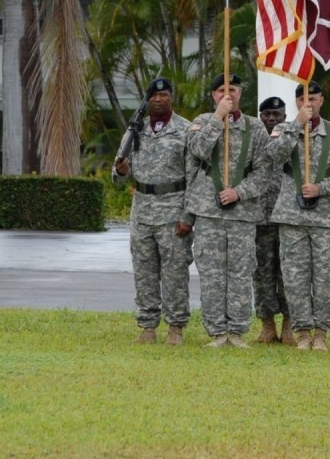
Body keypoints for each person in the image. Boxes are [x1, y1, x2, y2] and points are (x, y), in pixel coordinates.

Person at [266, 81, 330, 351]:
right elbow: (274, 156)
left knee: (326, 278)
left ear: (321, 101)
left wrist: (321, 188)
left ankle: (321, 334)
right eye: (303, 99)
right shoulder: (283, 129)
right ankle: (302, 333)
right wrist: (296, 125)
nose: (309, 104)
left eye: (313, 99)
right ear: (295, 103)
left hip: (325, 218)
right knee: (294, 278)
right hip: (292, 217)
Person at [184, 72, 271, 348]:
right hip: (208, 211)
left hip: (242, 213)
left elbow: (264, 172)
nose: (227, 95)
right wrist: (217, 119)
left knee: (241, 271)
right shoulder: (201, 122)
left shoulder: (255, 128)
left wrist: (239, 192)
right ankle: (217, 332)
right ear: (213, 95)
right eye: (221, 90)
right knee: (211, 273)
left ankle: (237, 331)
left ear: (241, 93)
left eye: (232, 89)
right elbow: (198, 150)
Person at [112, 77, 194, 346]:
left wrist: (188, 216)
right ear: (147, 100)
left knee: (175, 273)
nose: (158, 99)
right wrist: (121, 171)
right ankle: (147, 327)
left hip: (173, 209)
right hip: (143, 212)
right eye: (153, 96)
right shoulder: (135, 130)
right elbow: (118, 174)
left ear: (172, 97)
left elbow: (195, 177)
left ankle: (175, 328)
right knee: (144, 271)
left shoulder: (186, 130)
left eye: (163, 95)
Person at [254, 96, 294, 345]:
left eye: (276, 115)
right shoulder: (254, 140)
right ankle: (267, 325)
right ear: (260, 117)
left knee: (288, 274)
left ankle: (289, 324)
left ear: (284, 116)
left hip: (287, 217)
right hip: (258, 218)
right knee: (261, 275)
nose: (271, 118)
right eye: (266, 114)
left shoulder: (291, 139)